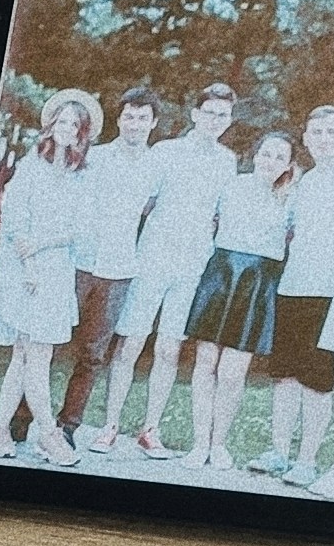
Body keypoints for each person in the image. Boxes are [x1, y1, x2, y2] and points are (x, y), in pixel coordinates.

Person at [95, 82, 242, 456]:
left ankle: (150, 429)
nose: (214, 120)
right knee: (131, 343)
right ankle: (109, 425)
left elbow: (221, 215)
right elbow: (142, 204)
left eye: (222, 115)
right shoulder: (166, 152)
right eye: (208, 112)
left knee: (168, 349)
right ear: (194, 114)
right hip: (152, 260)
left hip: (192, 267)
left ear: (229, 121)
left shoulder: (227, 161)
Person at [0, 89, 95, 464]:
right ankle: (50, 435)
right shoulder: (30, 166)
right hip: (22, 270)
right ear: (51, 124)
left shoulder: (81, 174)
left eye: (75, 123)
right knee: (34, 355)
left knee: (27, 356)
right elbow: (14, 221)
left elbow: (81, 227)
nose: (67, 128)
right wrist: (31, 264)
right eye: (62, 121)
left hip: (56, 269)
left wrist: (42, 246)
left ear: (82, 131)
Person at [57, 87, 163, 445]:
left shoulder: (155, 166)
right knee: (50, 341)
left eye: (142, 118)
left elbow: (148, 208)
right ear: (119, 119)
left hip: (118, 273)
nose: (135, 124)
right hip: (79, 264)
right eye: (129, 116)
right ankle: (26, 419)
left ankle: (68, 425)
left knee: (93, 354)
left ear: (153, 123)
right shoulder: (95, 157)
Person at [185, 128, 295, 469]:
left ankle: (219, 445)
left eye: (280, 156)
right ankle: (199, 443)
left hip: (258, 282)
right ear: (255, 154)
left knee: (232, 372)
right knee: (206, 364)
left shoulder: (292, 198)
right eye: (266, 153)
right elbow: (203, 224)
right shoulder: (231, 185)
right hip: (221, 275)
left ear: (289, 164)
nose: (271, 161)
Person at [258, 103, 334, 487]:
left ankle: (307, 460)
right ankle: (279, 453)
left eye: (332, 132)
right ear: (306, 139)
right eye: (317, 133)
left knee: (318, 381)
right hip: (292, 287)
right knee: (285, 375)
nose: (324, 139)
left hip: (330, 295)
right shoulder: (303, 182)